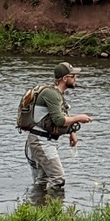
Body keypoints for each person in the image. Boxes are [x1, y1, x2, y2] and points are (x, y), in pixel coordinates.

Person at [24, 61, 92, 205]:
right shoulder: (51, 94)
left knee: (42, 180)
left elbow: (61, 115)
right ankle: (55, 213)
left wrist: (72, 131)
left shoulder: (56, 94)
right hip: (41, 140)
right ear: (65, 78)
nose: (76, 79)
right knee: (58, 179)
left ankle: (37, 210)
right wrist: (79, 118)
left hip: (43, 140)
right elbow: (59, 120)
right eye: (73, 76)